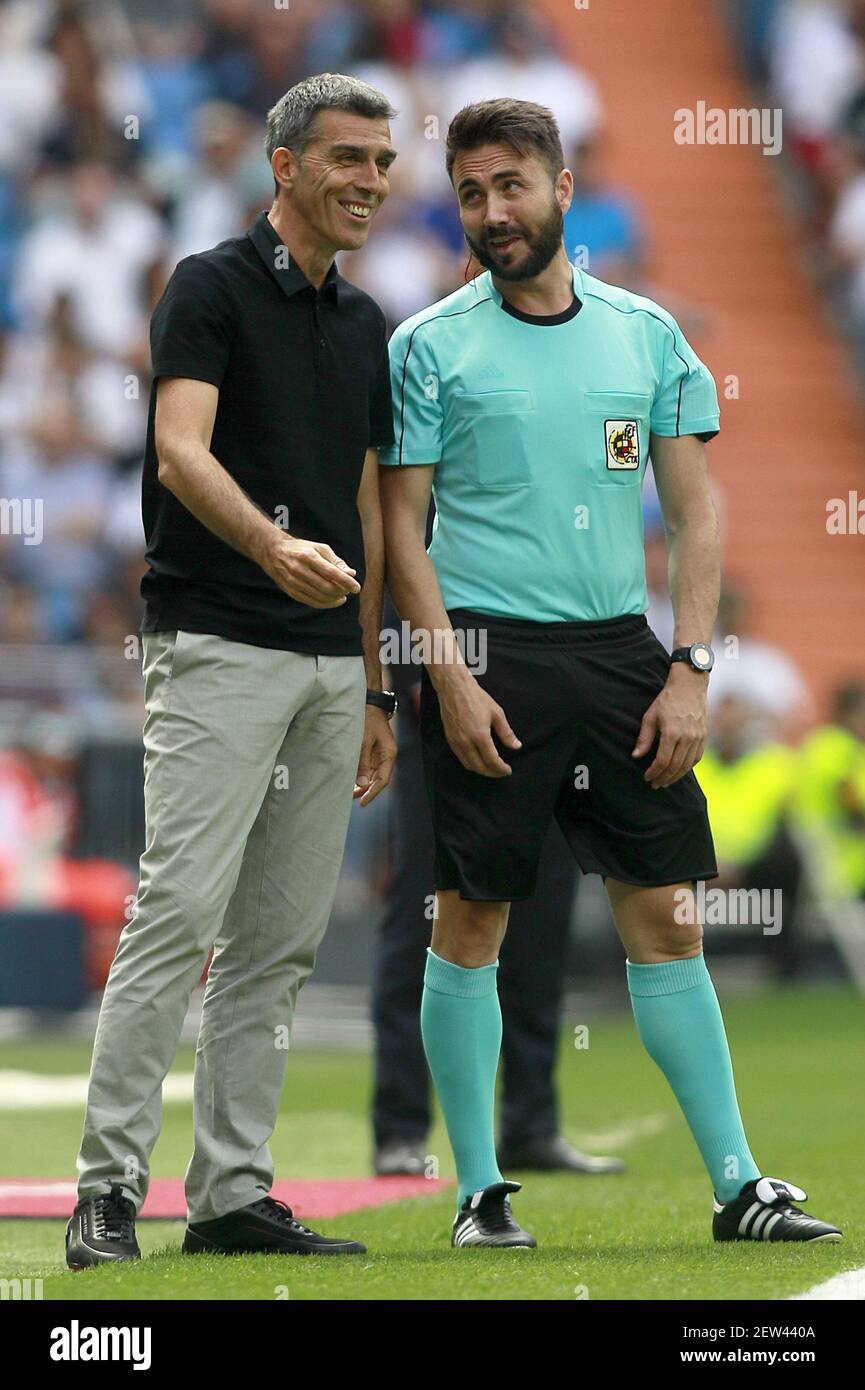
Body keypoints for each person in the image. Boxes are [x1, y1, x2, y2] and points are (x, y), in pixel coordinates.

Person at [379, 98, 841, 1251]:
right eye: (471, 192)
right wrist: (447, 677)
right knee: (468, 923)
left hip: (616, 656)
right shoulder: (427, 344)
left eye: (510, 187)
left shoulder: (647, 335)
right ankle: (479, 1194)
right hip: (484, 653)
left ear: (562, 186)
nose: (491, 212)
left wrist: (688, 669)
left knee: (669, 921)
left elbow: (694, 514)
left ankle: (739, 1186)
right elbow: (399, 529)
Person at [66, 73, 399, 1268]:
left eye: (381, 161)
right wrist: (267, 543)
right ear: (285, 166)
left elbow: (364, 516)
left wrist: (373, 689)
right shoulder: (204, 286)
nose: (369, 180)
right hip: (214, 642)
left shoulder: (368, 324)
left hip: (324, 668)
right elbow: (176, 449)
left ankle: (230, 1196)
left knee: (279, 942)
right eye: (348, 159)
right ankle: (107, 1189)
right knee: (178, 913)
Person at [372, 597, 625, 1178]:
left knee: (539, 930)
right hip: (444, 718)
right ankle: (400, 1129)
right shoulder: (433, 501)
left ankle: (531, 1125)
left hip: (543, 720)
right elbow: (404, 568)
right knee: (422, 924)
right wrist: (418, 678)